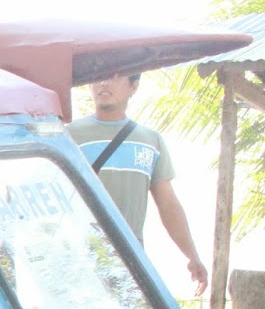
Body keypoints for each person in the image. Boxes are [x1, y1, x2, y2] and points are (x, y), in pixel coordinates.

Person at [68, 71, 208, 294]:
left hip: (128, 257)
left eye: (115, 76)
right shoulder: (68, 136)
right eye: (98, 76)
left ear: (134, 86)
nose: (102, 82)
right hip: (78, 256)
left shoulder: (150, 141)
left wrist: (192, 256)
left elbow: (168, 204)